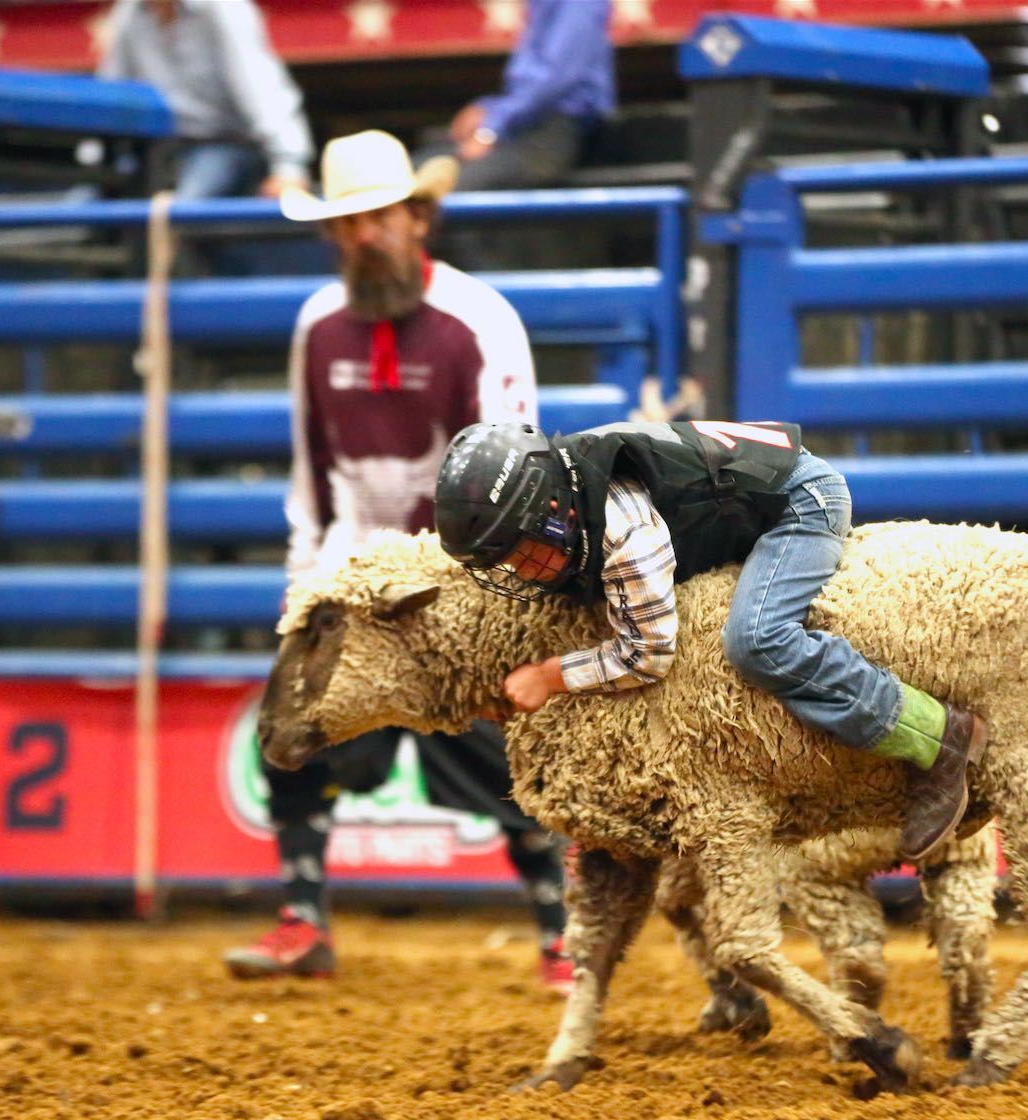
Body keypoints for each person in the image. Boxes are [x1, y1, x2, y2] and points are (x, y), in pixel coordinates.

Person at [223, 131, 568, 989]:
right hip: (354, 574)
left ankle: (564, 935)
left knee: (506, 757)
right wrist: (307, 588)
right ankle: (303, 920)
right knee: (294, 728)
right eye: (348, 223)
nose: (365, 235)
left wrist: (488, 598)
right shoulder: (317, 326)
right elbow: (313, 471)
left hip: (457, 581)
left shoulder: (478, 321)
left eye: (380, 217)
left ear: (418, 218)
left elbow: (512, 468)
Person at [433, 420, 988, 862]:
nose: (515, 570)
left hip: (799, 501)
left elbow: (648, 655)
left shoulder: (626, 532)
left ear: (552, 511)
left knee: (758, 641)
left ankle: (938, 736)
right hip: (741, 503)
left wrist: (550, 675)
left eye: (517, 551)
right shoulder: (570, 488)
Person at [430, 0, 615, 269]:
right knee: (425, 168)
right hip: (526, 127)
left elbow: (555, 79)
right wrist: (488, 109)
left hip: (555, 134)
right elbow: (529, 86)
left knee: (453, 193)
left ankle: (492, 290)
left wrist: (490, 129)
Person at [98, 0, 313, 200]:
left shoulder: (223, 7)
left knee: (182, 212)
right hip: (154, 152)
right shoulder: (128, 13)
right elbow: (111, 96)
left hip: (226, 144)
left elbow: (263, 90)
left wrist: (289, 168)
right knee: (88, 201)